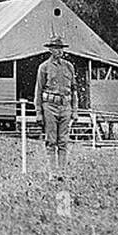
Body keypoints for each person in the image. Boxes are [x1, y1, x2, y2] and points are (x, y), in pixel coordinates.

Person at [34, 36, 78, 181]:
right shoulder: (44, 67)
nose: (58, 51)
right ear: (50, 50)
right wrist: (39, 112)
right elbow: (38, 91)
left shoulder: (69, 67)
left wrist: (75, 110)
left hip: (65, 107)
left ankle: (63, 173)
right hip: (49, 107)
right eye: (55, 48)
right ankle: (53, 173)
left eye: (60, 48)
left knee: (63, 141)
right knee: (51, 141)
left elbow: (74, 90)